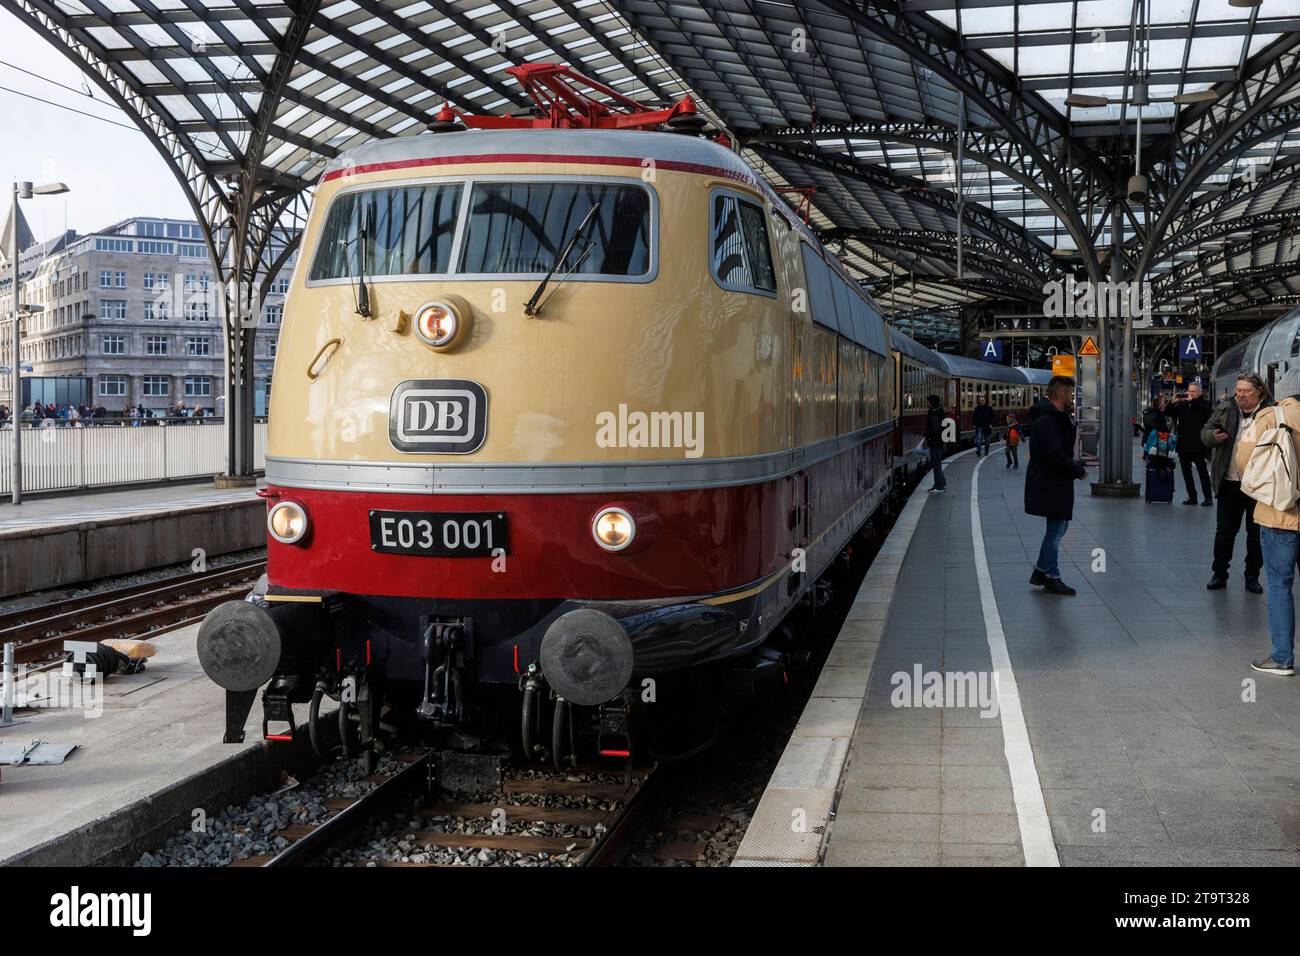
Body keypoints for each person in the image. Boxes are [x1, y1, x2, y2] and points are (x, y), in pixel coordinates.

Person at [1231, 366, 1300, 676]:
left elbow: (1244, 458)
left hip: (1279, 515)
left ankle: (1283, 658)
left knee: (1279, 585)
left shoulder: (1271, 416)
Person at [1202, 371, 1273, 593]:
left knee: (1256, 535)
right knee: (1224, 532)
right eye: (1238, 390)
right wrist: (1212, 437)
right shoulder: (1226, 408)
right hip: (1229, 481)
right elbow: (1205, 432)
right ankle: (1219, 574)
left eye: (1246, 391)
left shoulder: (1270, 412)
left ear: (1259, 391)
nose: (1240, 395)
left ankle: (1252, 575)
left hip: (1258, 485)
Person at [1025, 375, 1089, 595]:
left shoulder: (1054, 418)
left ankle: (1041, 571)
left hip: (1056, 481)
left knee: (1059, 528)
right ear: (1061, 394)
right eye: (1071, 394)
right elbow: (1054, 454)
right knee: (1055, 531)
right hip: (1049, 481)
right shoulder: (1047, 421)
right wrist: (1077, 470)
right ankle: (1052, 576)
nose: (1072, 398)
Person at [1167, 382, 1214, 506]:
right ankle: (1192, 497)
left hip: (1198, 444)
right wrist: (1173, 401)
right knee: (1186, 472)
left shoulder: (1205, 403)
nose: (1190, 393)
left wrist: (1192, 400)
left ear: (1200, 392)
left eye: (1194, 391)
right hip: (1183, 443)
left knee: (1202, 471)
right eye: (1189, 391)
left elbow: (1206, 411)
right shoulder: (1183, 404)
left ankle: (1208, 497)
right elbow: (1168, 412)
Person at [923, 394, 947, 494]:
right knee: (937, 463)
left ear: (932, 402)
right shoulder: (939, 410)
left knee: (936, 463)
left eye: (928, 401)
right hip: (939, 440)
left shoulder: (934, 413)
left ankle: (939, 486)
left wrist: (926, 433)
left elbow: (935, 428)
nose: (927, 403)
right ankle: (941, 482)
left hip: (935, 441)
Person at [973, 393, 994, 457]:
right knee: (978, 439)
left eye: (983, 400)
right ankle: (978, 451)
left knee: (987, 440)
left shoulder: (989, 408)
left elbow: (992, 417)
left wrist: (991, 424)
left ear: (985, 400)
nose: (982, 401)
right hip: (979, 426)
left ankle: (986, 451)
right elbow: (974, 417)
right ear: (979, 401)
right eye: (980, 400)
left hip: (987, 426)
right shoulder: (976, 408)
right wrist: (974, 424)